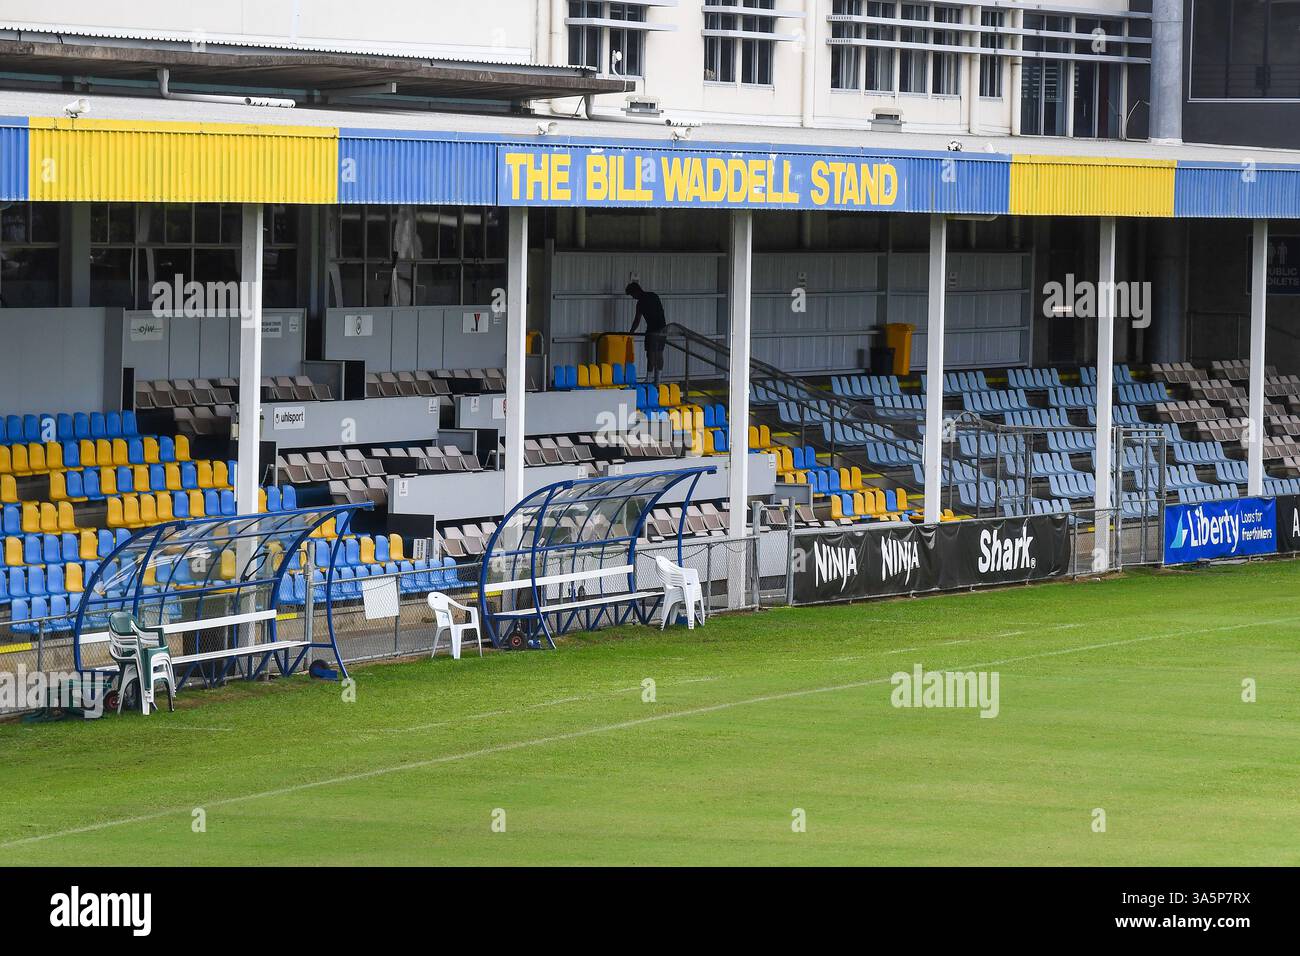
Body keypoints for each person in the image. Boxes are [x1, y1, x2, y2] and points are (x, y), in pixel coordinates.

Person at [626, 281, 667, 384]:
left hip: (652, 330)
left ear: (635, 292)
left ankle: (649, 379)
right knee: (659, 353)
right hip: (663, 328)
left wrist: (631, 332)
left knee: (651, 354)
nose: (633, 297)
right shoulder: (653, 296)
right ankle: (658, 380)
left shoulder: (640, 303)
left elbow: (637, 320)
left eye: (632, 295)